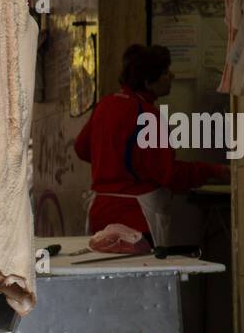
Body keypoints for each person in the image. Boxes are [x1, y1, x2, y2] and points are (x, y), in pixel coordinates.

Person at [74, 44, 229, 243]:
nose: (172, 76)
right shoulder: (147, 115)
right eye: (165, 72)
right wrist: (215, 171)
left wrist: (112, 162)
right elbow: (169, 174)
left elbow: (81, 149)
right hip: (135, 218)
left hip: (100, 212)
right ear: (148, 82)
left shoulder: (106, 104)